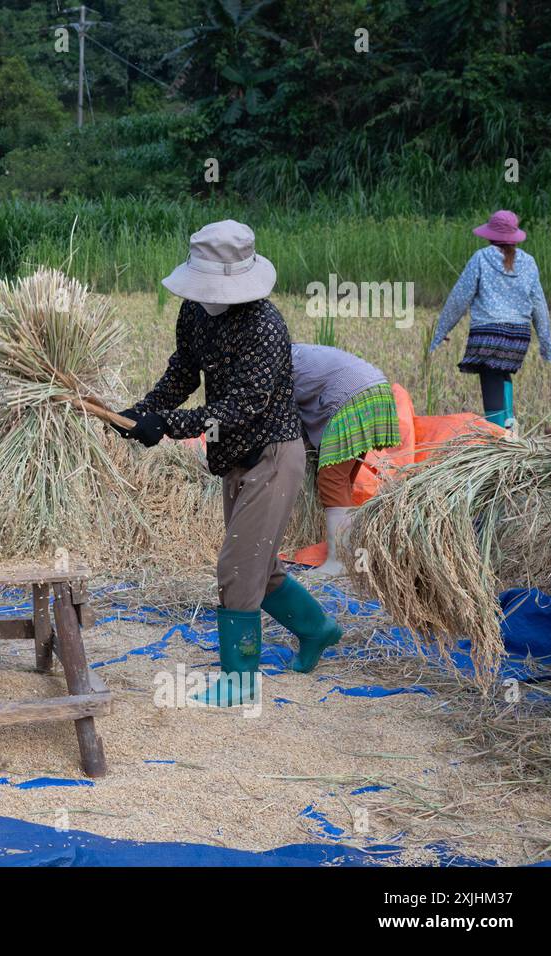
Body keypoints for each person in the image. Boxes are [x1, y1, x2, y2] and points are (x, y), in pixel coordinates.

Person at [111, 220, 343, 707]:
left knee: (237, 568)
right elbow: (182, 371)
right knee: (256, 565)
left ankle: (240, 682)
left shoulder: (265, 327)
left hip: (273, 456)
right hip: (234, 456)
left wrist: (168, 426)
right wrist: (145, 411)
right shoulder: (194, 312)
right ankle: (319, 629)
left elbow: (242, 406)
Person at [429, 210, 551, 429]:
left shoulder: (481, 257)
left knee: (491, 377)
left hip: (489, 334)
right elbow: (539, 305)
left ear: (489, 235)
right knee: (501, 372)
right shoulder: (529, 262)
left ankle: (497, 433)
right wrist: (546, 344)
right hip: (518, 336)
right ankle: (508, 425)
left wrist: (441, 331)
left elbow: (460, 297)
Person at [290, 343, 401, 577]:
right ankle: (350, 555)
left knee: (332, 481)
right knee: (342, 481)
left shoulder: (272, 364)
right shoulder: (292, 352)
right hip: (376, 388)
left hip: (352, 396)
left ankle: (338, 561)